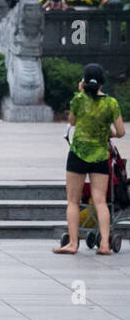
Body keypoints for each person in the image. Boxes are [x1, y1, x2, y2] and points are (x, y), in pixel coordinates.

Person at [54, 63, 126, 256]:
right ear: (102, 82)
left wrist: (80, 92)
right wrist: (109, 133)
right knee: (101, 201)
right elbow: (121, 132)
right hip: (100, 156)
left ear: (83, 82)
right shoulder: (111, 103)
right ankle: (104, 245)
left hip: (78, 153)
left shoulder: (78, 100)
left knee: (73, 201)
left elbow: (73, 122)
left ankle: (73, 244)